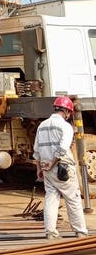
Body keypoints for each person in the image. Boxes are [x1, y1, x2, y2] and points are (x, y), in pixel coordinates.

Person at [33, 95, 89, 239]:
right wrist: (52, 162)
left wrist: (39, 169)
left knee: (51, 199)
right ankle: (80, 232)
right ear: (67, 111)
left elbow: (36, 150)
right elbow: (62, 148)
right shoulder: (65, 126)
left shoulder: (42, 125)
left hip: (47, 169)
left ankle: (50, 233)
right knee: (73, 198)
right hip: (63, 168)